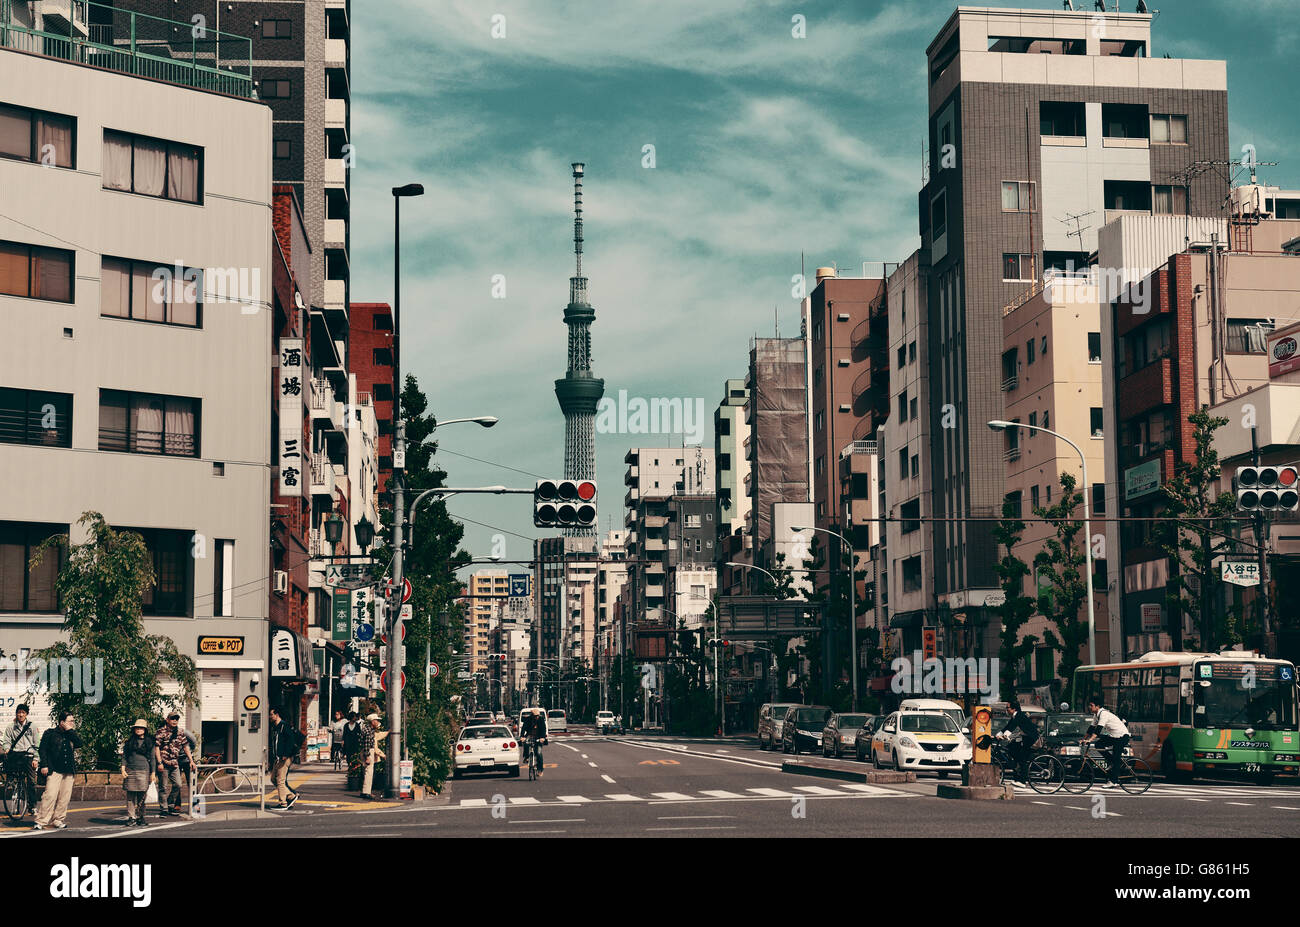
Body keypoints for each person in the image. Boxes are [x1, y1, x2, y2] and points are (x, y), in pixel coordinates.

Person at [33, 712, 80, 831]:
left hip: (69, 770)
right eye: (70, 721)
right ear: (62, 722)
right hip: (54, 769)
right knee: (50, 795)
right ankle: (41, 820)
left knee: (64, 797)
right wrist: (44, 765)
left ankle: (58, 819)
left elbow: (80, 743)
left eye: (72, 721)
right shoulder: (50, 733)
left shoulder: (71, 734)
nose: (72, 723)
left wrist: (70, 730)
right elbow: (42, 750)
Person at [1084, 694, 1131, 789]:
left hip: (1122, 736)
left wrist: (1090, 740)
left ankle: (1113, 781)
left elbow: (1098, 730)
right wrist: (1084, 739)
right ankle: (1112, 761)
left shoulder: (1104, 714)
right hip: (1114, 736)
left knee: (1116, 757)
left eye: (1091, 705)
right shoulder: (1096, 715)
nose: (1090, 707)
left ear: (1097, 706)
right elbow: (1091, 728)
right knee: (1098, 744)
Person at [154, 712, 196, 817]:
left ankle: (169, 803)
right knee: (163, 787)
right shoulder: (161, 732)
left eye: (176, 719)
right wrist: (159, 762)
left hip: (174, 763)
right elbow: (157, 748)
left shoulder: (181, 732)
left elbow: (186, 746)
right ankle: (164, 809)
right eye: (172, 719)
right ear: (167, 720)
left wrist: (191, 760)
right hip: (164, 763)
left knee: (178, 784)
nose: (174, 721)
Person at [1, 703, 40, 809]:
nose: (21, 715)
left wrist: (36, 758)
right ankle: (16, 790)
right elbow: (6, 741)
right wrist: (7, 748)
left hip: (29, 755)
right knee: (13, 776)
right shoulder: (11, 727)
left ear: (26, 714)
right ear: (16, 714)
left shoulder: (32, 726)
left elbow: (37, 744)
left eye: (23, 712)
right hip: (16, 755)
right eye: (19, 712)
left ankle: (32, 806)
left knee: (31, 781)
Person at [120, 720, 158, 827]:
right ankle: (131, 817)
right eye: (137, 728)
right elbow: (124, 757)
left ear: (145, 730)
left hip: (144, 771)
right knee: (130, 796)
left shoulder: (150, 742)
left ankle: (141, 817)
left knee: (142, 796)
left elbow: (152, 758)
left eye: (141, 728)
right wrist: (122, 769)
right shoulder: (129, 742)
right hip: (130, 770)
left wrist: (153, 773)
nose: (139, 729)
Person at [996, 698, 1040, 782]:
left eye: (1007, 708)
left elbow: (1012, 728)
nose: (1006, 710)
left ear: (1013, 709)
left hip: (1031, 738)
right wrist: (998, 734)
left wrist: (1004, 735)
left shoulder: (1019, 715)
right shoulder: (1015, 716)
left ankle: (1022, 781)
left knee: (1022, 757)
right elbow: (1008, 726)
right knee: (1011, 747)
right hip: (1025, 737)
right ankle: (1017, 769)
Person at [267, 707, 301, 809]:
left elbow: (290, 741)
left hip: (284, 758)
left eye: (271, 714)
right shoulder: (275, 727)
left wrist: (286, 754)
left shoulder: (284, 726)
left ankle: (283, 803)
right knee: (273, 779)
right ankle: (291, 796)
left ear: (277, 715)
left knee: (280, 781)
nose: (270, 716)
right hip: (278, 758)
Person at [360, 713, 383, 799]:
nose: (378, 722)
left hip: (366, 751)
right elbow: (366, 744)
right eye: (376, 720)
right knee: (368, 773)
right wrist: (367, 757)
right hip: (368, 752)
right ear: (372, 721)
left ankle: (365, 791)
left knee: (366, 772)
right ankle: (366, 792)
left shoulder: (368, 729)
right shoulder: (368, 731)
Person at [519, 708, 548, 777]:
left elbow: (544, 729)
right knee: (525, 743)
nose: (536, 717)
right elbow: (523, 728)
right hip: (530, 735)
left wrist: (542, 738)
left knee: (538, 753)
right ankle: (526, 757)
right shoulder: (528, 719)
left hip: (538, 737)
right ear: (532, 715)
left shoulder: (541, 719)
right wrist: (522, 736)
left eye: (537, 715)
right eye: (535, 716)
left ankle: (540, 770)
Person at [342, 711, 363, 790]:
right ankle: (350, 769)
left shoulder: (357, 725)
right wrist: (343, 742)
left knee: (355, 758)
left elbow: (359, 734)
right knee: (348, 758)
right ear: (351, 717)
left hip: (355, 744)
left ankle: (353, 770)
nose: (355, 718)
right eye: (354, 716)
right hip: (348, 743)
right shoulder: (346, 725)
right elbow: (344, 734)